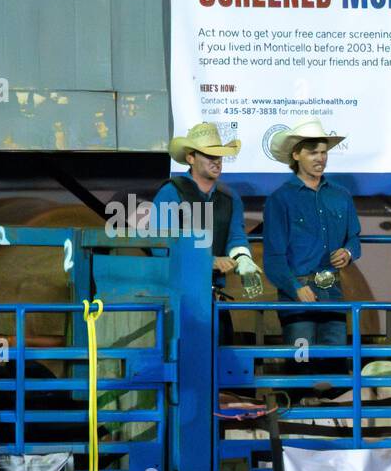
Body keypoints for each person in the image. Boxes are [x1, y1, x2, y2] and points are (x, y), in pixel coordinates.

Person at [262, 119, 362, 367]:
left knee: (336, 365)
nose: (320, 158)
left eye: (323, 152)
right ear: (296, 155)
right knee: (301, 366)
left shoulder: (341, 195)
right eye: (313, 152)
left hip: (333, 294)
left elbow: (354, 239)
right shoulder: (280, 199)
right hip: (298, 297)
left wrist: (348, 252)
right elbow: (273, 257)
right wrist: (295, 287)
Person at [155, 123, 263, 344]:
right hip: (179, 297)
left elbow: (236, 236)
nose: (217, 161)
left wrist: (242, 257)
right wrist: (209, 261)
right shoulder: (171, 193)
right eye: (210, 155)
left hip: (213, 296)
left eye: (219, 155)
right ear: (191, 158)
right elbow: (160, 246)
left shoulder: (229, 198)